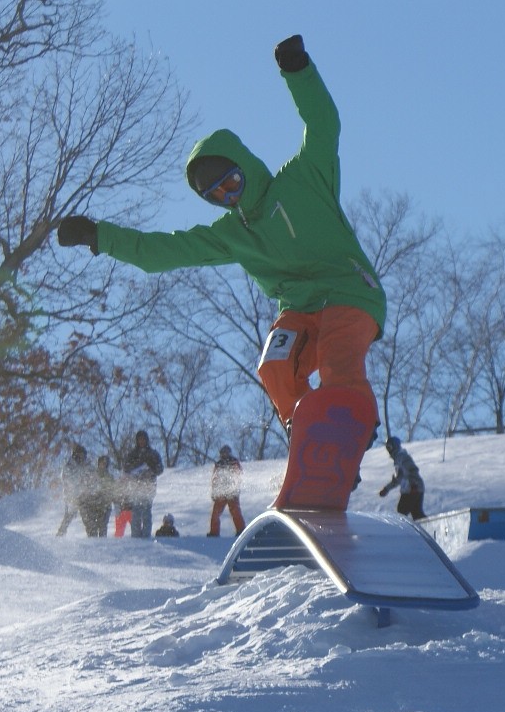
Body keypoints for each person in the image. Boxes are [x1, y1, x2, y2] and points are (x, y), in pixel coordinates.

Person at [55, 34, 385, 512]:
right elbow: (160, 252)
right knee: (274, 363)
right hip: (298, 310)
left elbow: (323, 124)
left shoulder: (302, 177)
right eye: (216, 195)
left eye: (232, 182)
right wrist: (99, 236)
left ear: (245, 165)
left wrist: (297, 71)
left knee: (336, 356)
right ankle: (312, 442)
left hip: (350, 293)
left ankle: (348, 424)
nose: (229, 197)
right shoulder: (231, 234)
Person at [119, 429, 164, 538]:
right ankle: (135, 536)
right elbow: (126, 468)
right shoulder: (132, 454)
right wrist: (138, 466)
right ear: (137, 441)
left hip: (149, 487)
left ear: (147, 440)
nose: (142, 441)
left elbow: (160, 469)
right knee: (136, 513)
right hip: (135, 487)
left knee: (146, 512)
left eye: (144, 439)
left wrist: (151, 468)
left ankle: (146, 535)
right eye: (140, 439)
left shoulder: (153, 453)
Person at [377, 436, 425, 521]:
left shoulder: (402, 456)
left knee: (402, 510)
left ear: (395, 446)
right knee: (416, 513)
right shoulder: (398, 459)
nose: (389, 451)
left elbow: (413, 469)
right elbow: (398, 478)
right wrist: (386, 489)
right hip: (413, 487)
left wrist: (414, 485)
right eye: (387, 448)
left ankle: (404, 530)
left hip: (413, 487)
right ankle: (425, 526)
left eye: (390, 447)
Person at [210, 444, 246, 536]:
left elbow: (238, 475)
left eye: (226, 453)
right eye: (222, 453)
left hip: (232, 492)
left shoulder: (234, 462)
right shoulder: (218, 464)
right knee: (215, 514)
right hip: (221, 493)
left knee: (235, 512)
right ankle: (214, 533)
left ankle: (241, 531)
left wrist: (235, 487)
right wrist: (215, 492)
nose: (224, 454)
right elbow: (215, 479)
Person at [55, 443, 89, 536]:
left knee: (85, 516)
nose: (83, 457)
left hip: (80, 495)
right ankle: (61, 533)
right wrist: (80, 482)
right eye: (82, 455)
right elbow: (67, 479)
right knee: (70, 515)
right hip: (72, 495)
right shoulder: (69, 465)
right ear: (77, 454)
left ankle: (91, 535)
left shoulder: (81, 465)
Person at [79, 454, 115, 537]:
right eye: (102, 463)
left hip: (105, 507)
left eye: (105, 463)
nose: (103, 465)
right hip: (93, 505)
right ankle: (92, 544)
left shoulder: (109, 477)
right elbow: (87, 488)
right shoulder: (92, 475)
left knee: (102, 527)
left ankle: (102, 544)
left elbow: (112, 491)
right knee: (92, 528)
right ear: (98, 464)